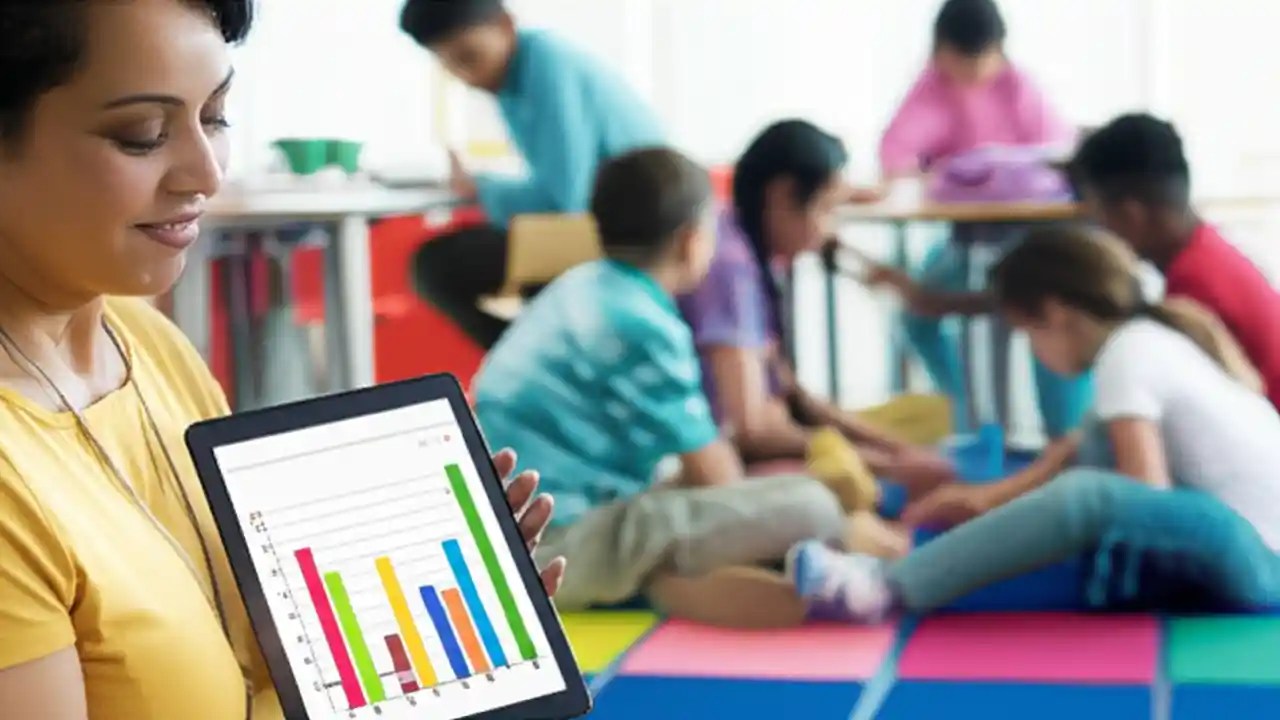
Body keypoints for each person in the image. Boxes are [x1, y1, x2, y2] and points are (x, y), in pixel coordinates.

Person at [0, 3, 561, 719]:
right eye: (141, 135)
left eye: (217, 116)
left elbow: (244, 655)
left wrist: (433, 635)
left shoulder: (149, 346)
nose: (205, 174)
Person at [473, 147, 897, 628]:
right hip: (551, 551)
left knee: (706, 492)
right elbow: (719, 479)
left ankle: (671, 579)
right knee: (811, 504)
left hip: (516, 535)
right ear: (692, 242)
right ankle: (696, 576)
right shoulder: (643, 322)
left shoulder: (580, 285)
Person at [787, 227, 1280, 621]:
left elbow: (1141, 496)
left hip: (1261, 559)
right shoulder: (1144, 340)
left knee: (1089, 495)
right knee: (1085, 462)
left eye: (1027, 335)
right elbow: (1075, 449)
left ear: (1055, 313)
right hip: (1245, 550)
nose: (1034, 353)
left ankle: (885, 585)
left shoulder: (1130, 353)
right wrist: (987, 500)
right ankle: (911, 557)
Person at [679, 120, 955, 498]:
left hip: (762, 437)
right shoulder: (730, 269)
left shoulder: (749, 250)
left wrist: (896, 449)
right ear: (782, 196)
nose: (827, 230)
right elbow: (753, 430)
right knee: (834, 493)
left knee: (932, 418)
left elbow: (793, 394)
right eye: (826, 209)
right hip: (728, 459)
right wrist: (890, 465)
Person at [874, 0, 1090, 437]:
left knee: (1051, 318)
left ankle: (1064, 438)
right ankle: (966, 410)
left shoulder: (1021, 88)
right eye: (961, 62)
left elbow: (1057, 153)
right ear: (939, 53)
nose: (972, 75)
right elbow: (894, 153)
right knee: (917, 313)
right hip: (967, 241)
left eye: (981, 62)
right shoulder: (932, 87)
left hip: (1038, 245)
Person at [400, 0, 664, 349]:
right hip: (603, 227)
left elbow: (564, 200)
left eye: (469, 57)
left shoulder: (547, 67)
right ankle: (536, 360)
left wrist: (480, 187)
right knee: (490, 265)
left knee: (438, 266)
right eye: (449, 65)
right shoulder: (519, 76)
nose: (467, 76)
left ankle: (528, 361)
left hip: (634, 233)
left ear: (506, 24)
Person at [1071, 113, 1280, 412]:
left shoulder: (1194, 286)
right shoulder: (1209, 252)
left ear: (1131, 214)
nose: (1100, 229)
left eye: (1098, 214)